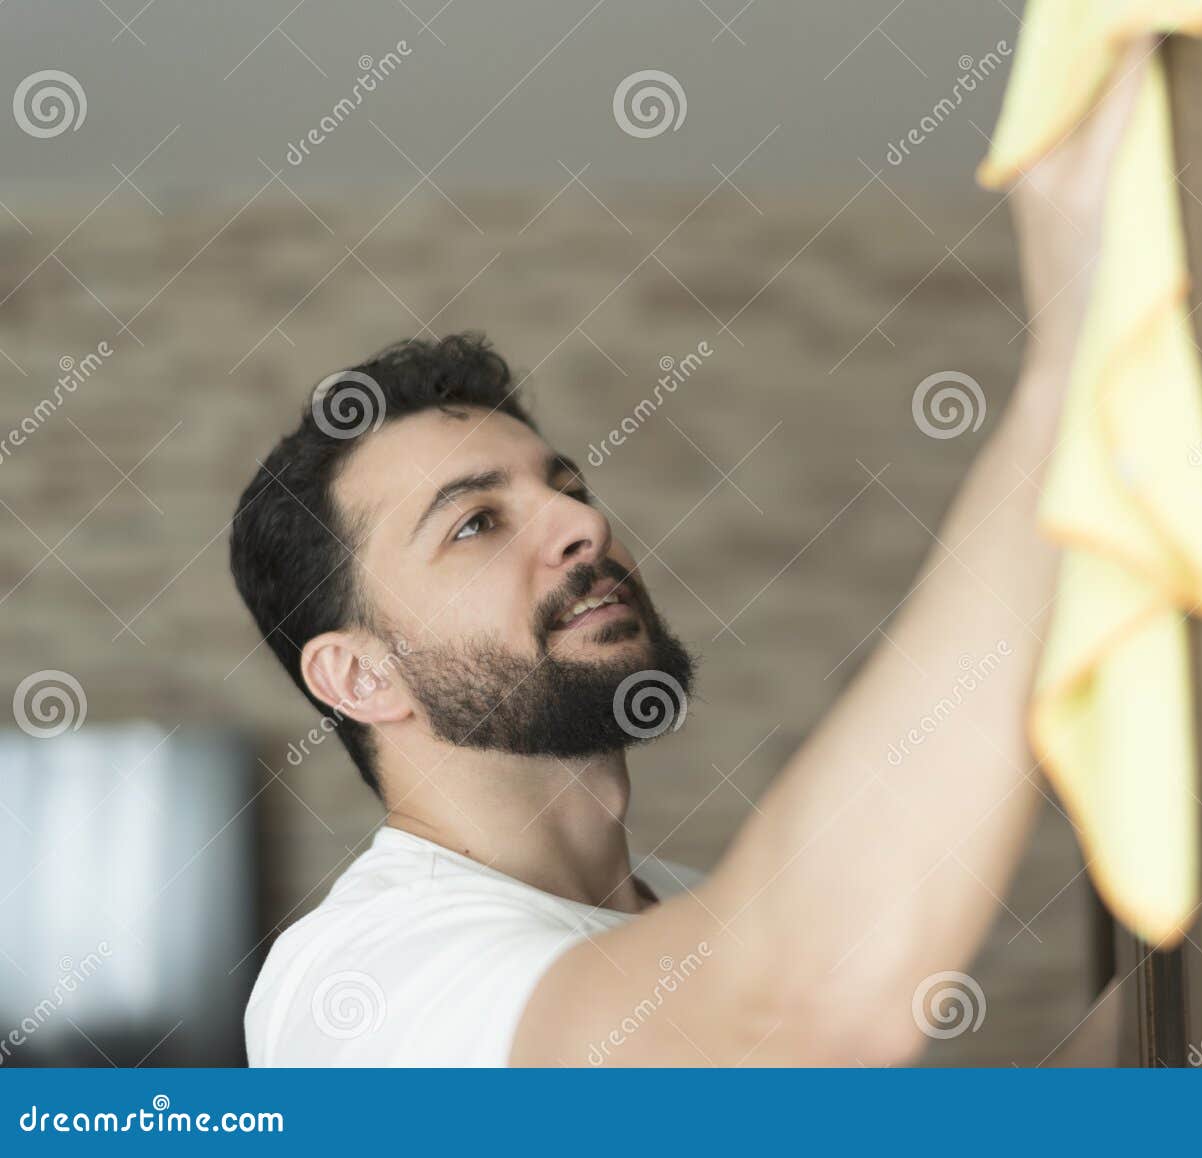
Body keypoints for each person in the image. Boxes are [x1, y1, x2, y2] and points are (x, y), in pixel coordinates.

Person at [229, 48, 1150, 1067]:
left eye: (566, 487)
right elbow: (800, 1009)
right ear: (356, 673)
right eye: (476, 523)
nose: (580, 528)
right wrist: (1071, 370)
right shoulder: (357, 982)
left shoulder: (666, 911)